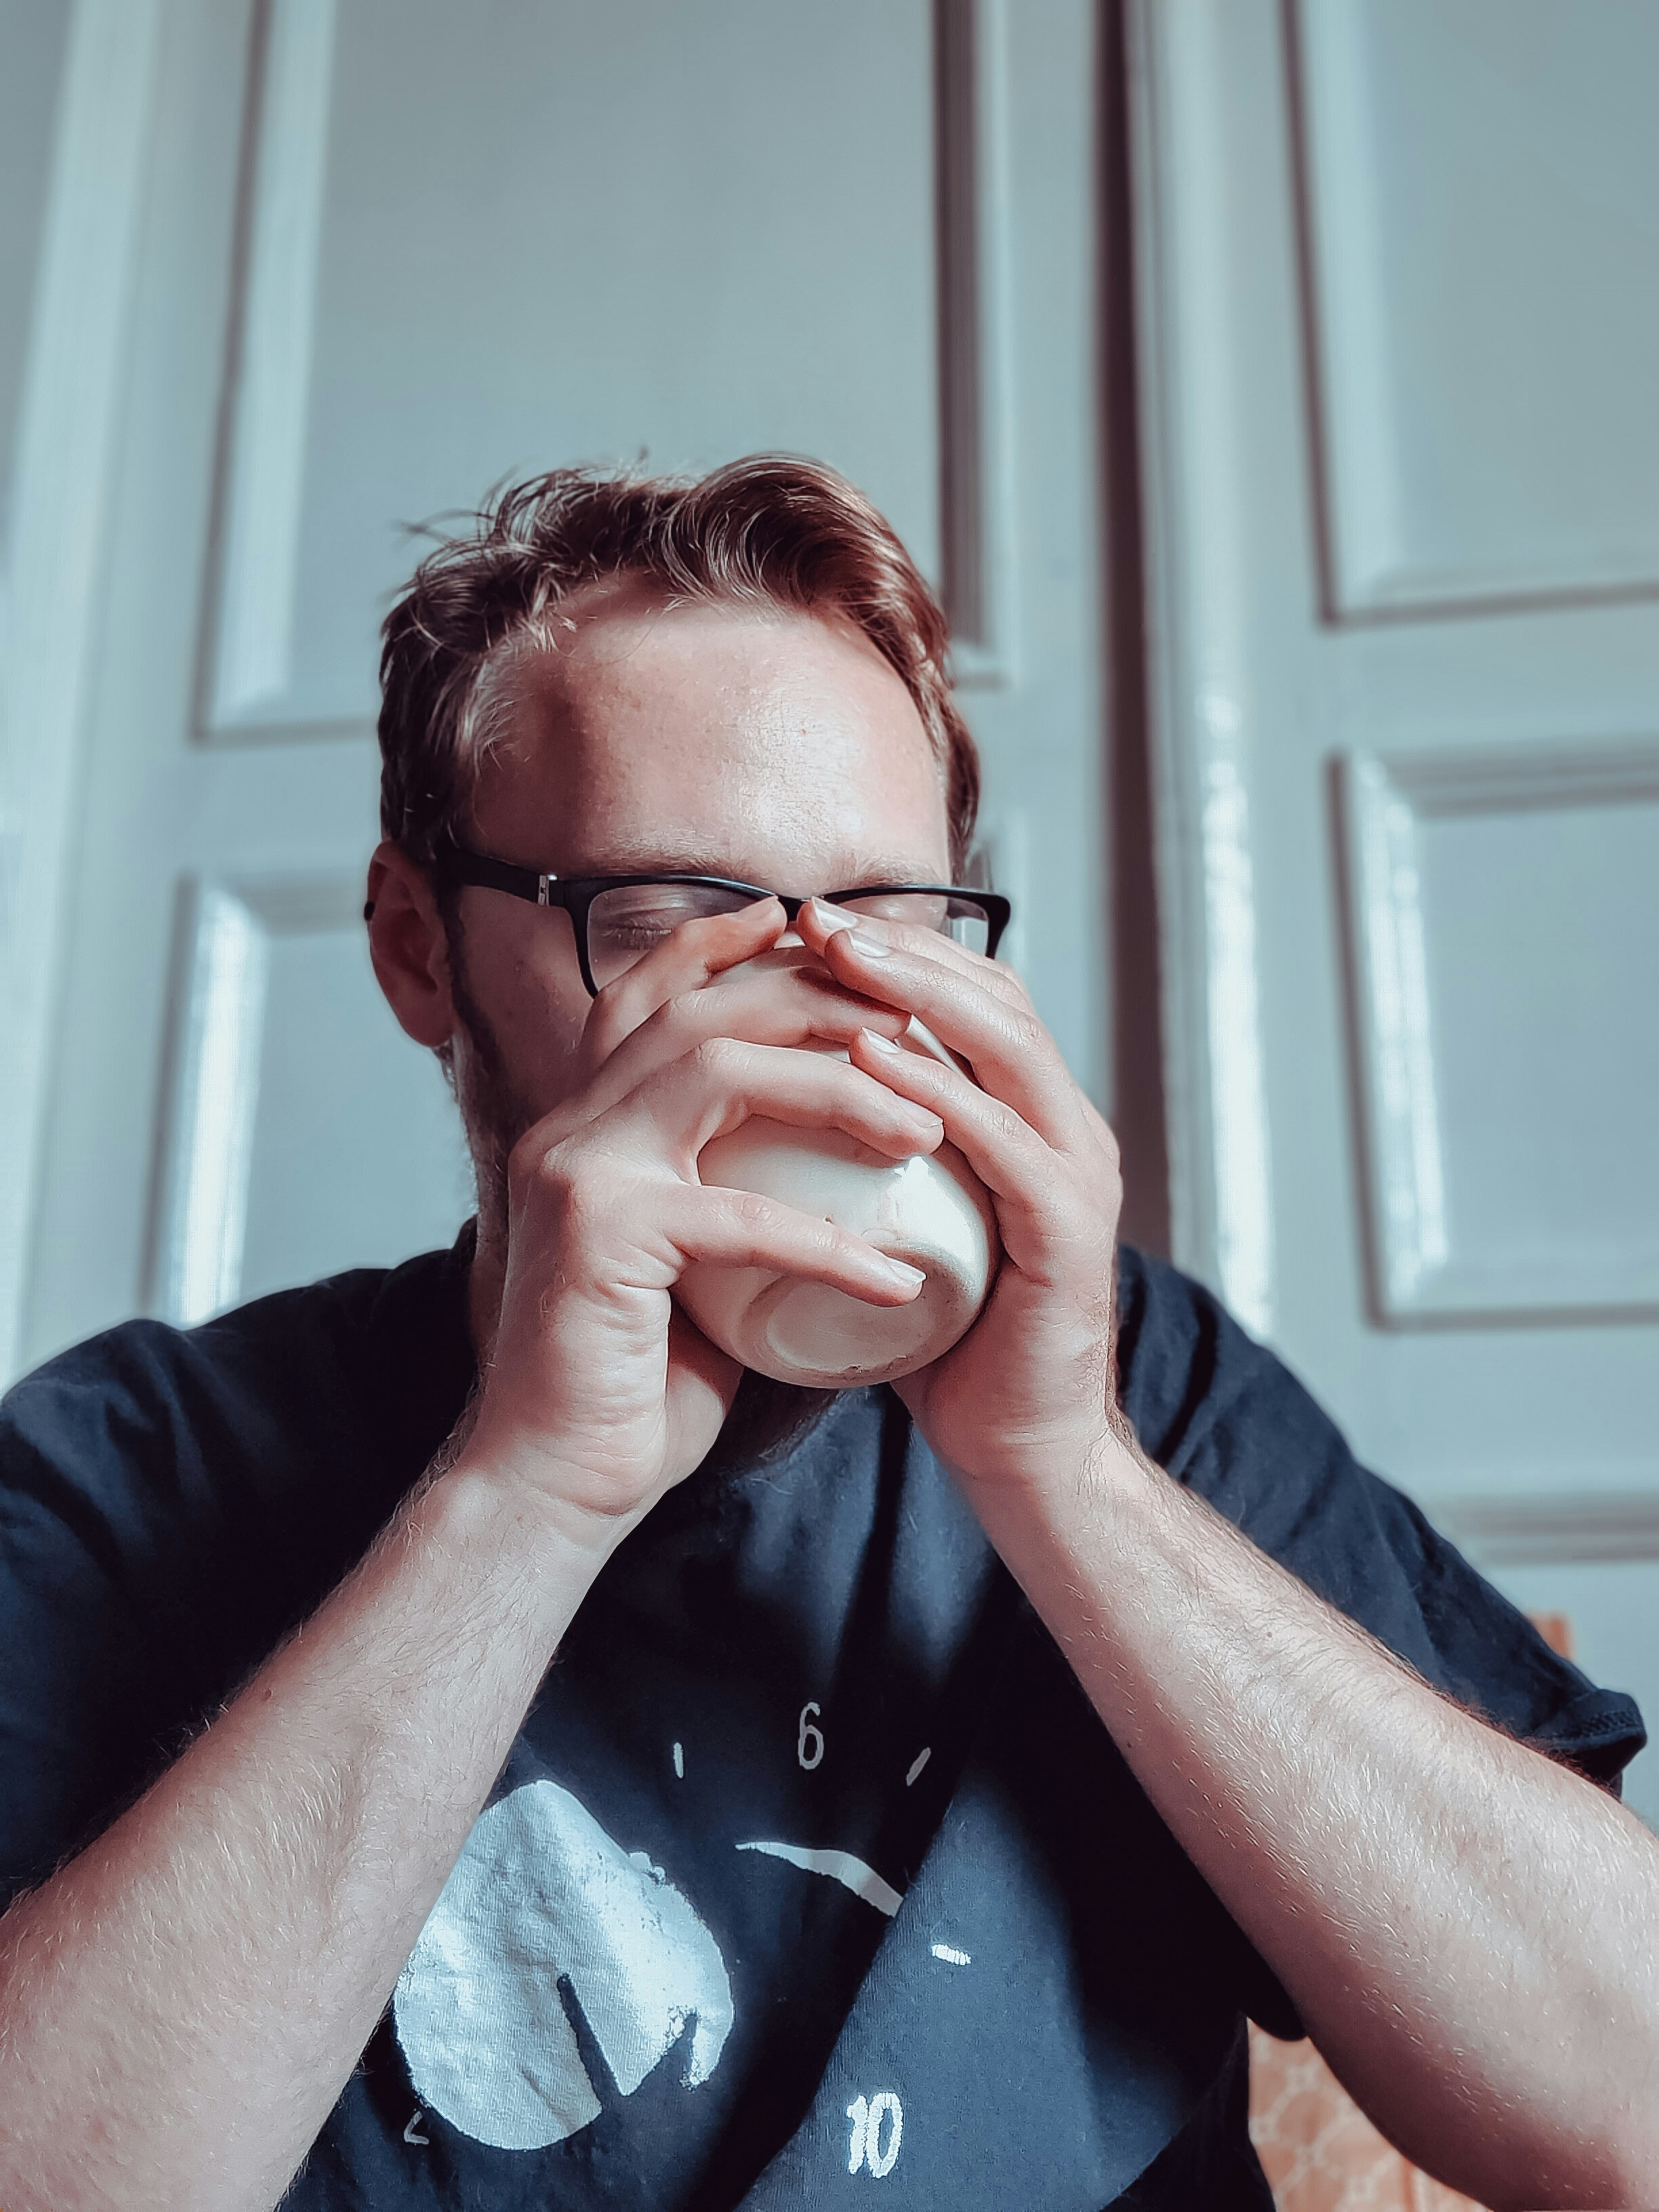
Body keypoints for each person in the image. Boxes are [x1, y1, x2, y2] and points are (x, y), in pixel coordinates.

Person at [0, 459, 1654, 2212]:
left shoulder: (1132, 1384)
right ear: (421, 953)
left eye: (886, 922)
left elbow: (1626, 2109)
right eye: (667, 913)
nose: (806, 1018)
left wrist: (1066, 1477)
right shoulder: (135, 1469)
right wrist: (529, 1489)